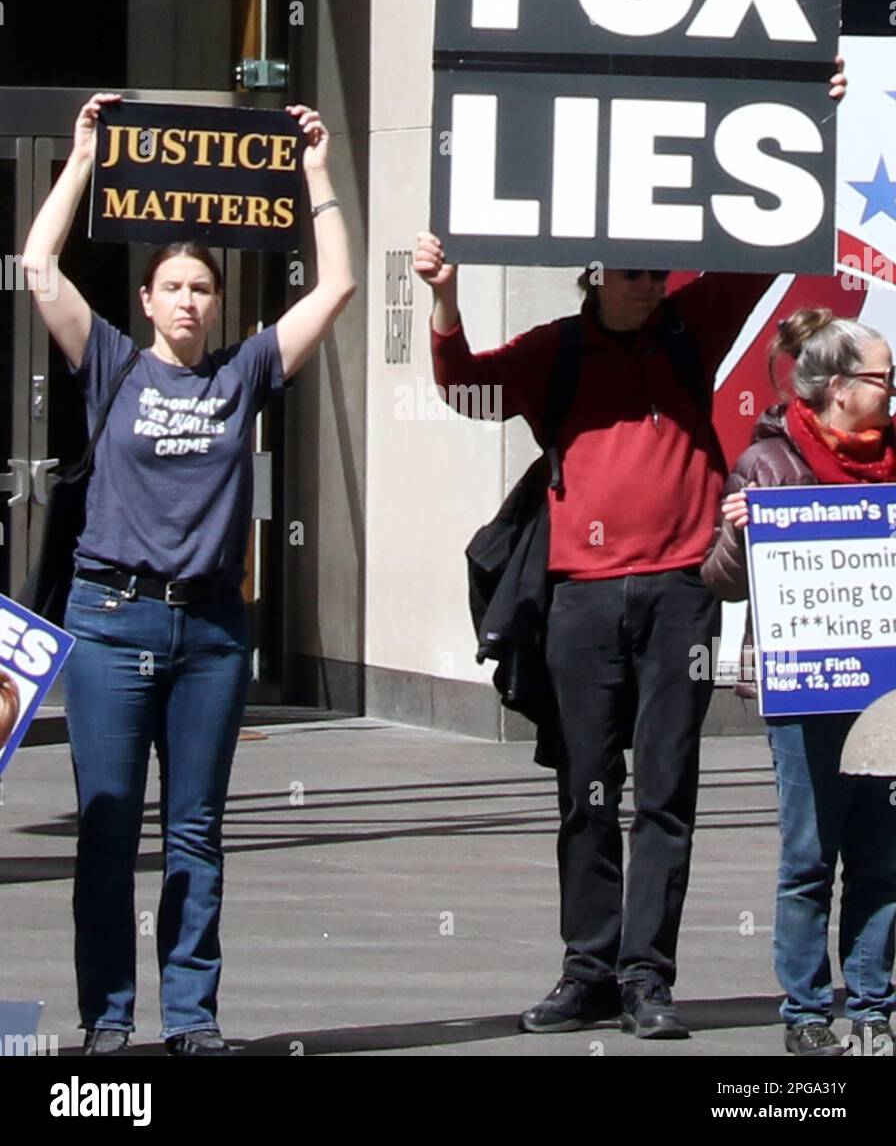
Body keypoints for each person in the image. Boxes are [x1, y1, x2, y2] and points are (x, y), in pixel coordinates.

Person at [415, 61, 847, 1039]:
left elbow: (762, 236)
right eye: (632, 271)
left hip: (680, 596)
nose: (649, 283)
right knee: (584, 793)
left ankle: (648, 977)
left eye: (657, 269)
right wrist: (441, 297)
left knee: (663, 790)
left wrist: (810, 119)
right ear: (594, 274)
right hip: (578, 600)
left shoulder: (692, 323)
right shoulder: (552, 351)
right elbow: (461, 384)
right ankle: (585, 971)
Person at [22, 92, 355, 1055]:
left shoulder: (242, 373)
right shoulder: (113, 366)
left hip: (211, 634)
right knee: (107, 830)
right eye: (172, 286)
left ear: (217, 304)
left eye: (202, 289)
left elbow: (332, 289)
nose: (187, 301)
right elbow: (38, 267)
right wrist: (82, 158)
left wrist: (318, 172)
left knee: (197, 835)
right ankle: (110, 1022)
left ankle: (196, 1020)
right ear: (147, 300)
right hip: (112, 621)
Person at [702, 308, 896, 1057]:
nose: (891, 390)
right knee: (809, 857)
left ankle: (874, 1005)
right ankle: (807, 1013)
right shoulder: (769, 464)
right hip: (806, 691)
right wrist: (737, 533)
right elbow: (718, 583)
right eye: (883, 378)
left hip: (883, 691)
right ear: (840, 386)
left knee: (882, 858)